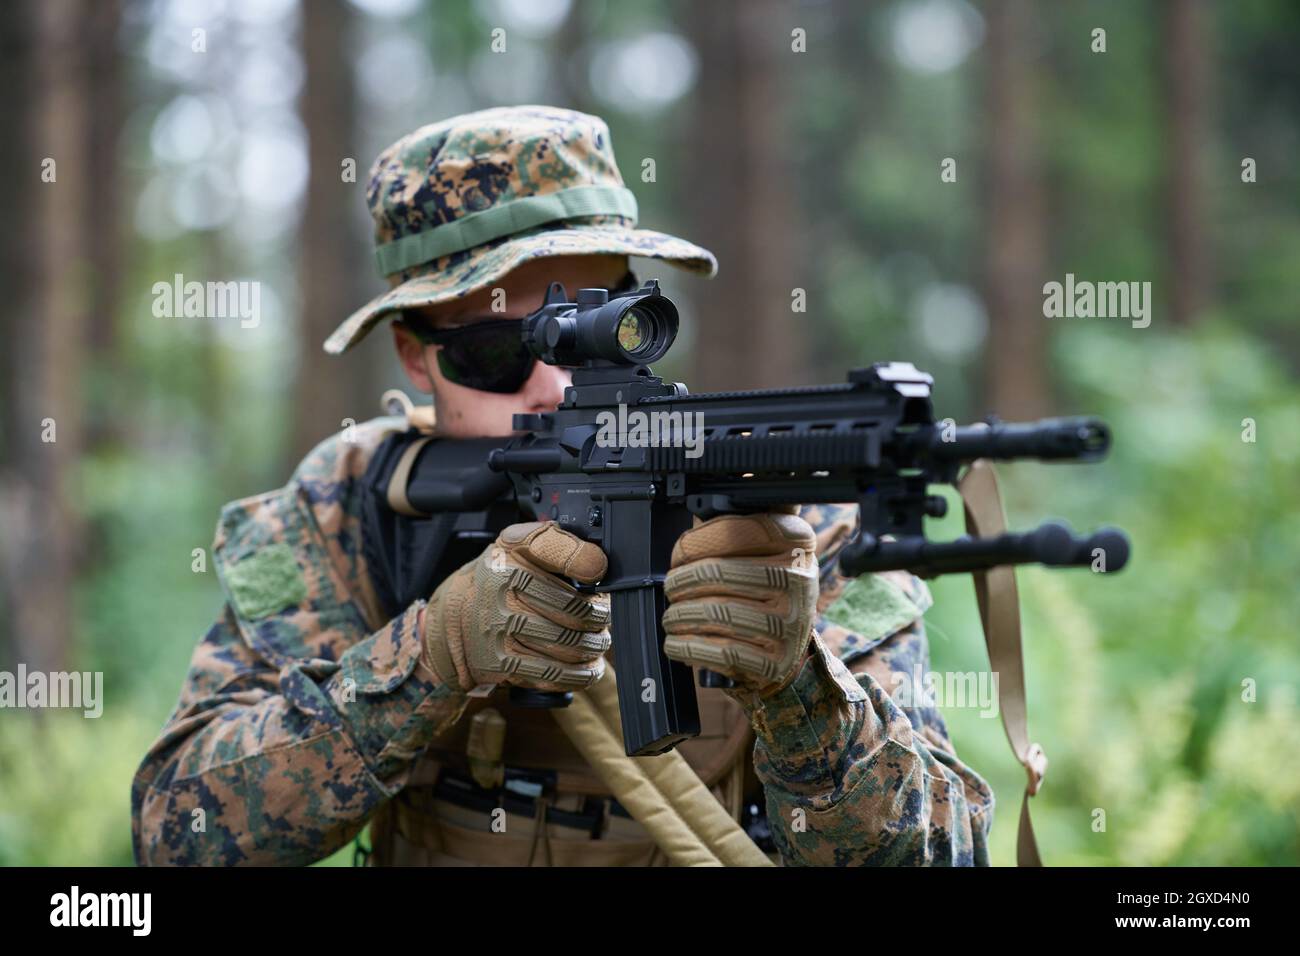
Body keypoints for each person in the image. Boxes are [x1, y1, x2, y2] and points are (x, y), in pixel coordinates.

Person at [131, 105, 994, 866]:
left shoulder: (787, 506)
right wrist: (428, 659)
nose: (554, 386)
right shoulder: (351, 510)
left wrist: (802, 693)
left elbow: (945, 854)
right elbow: (177, 833)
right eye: (501, 352)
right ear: (413, 355)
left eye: (602, 325)